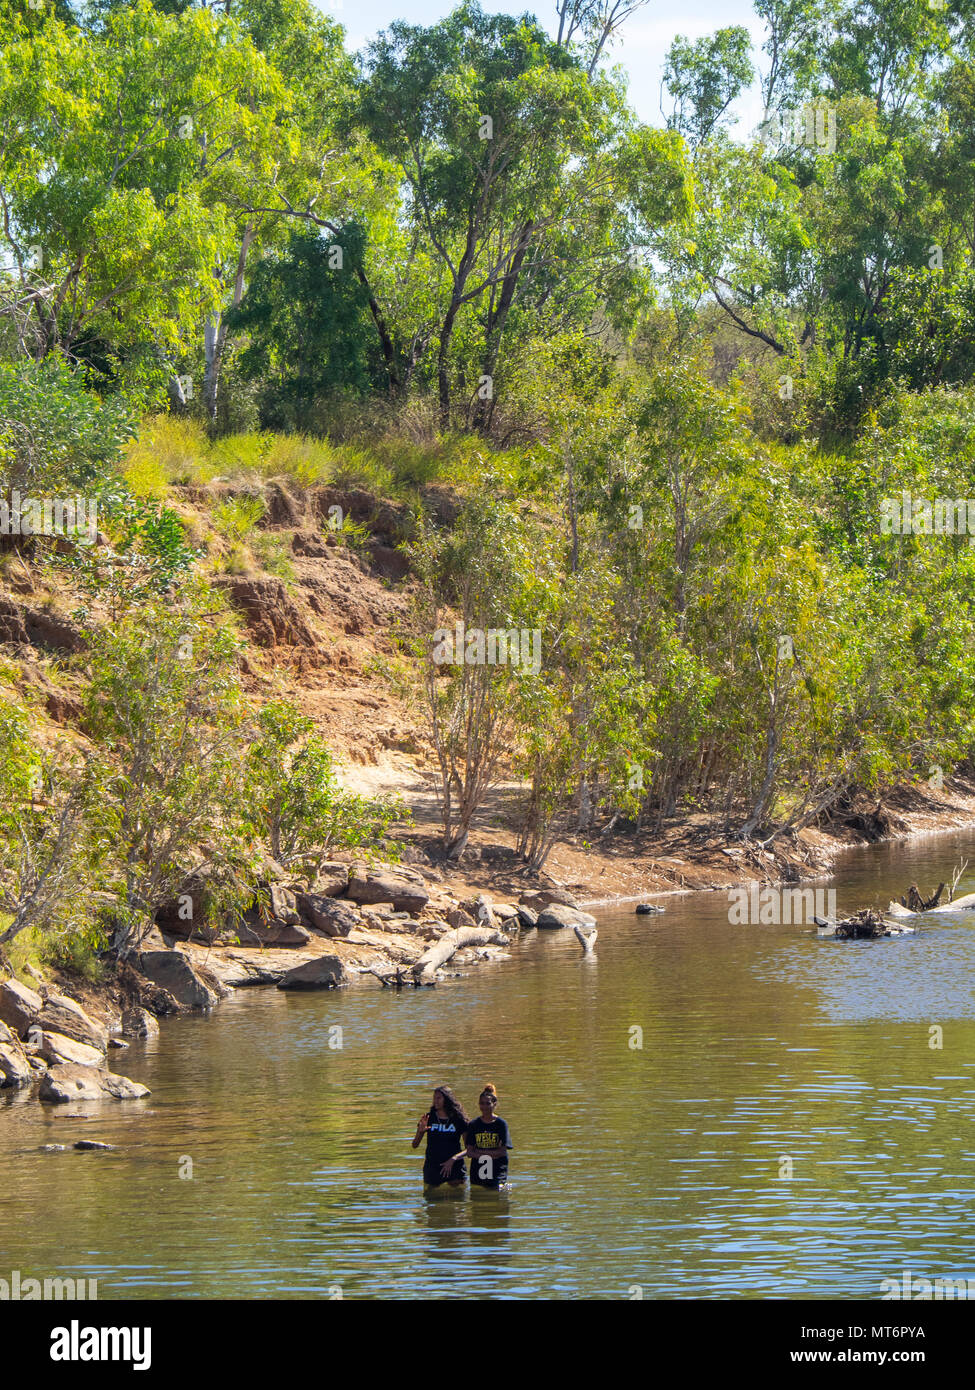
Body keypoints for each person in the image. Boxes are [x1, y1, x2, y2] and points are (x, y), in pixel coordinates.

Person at [412, 1085, 469, 1190]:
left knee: (457, 1201)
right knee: (432, 1200)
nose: (435, 1101)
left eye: (439, 1098)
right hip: (433, 1166)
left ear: (447, 1099)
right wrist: (420, 1132)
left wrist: (453, 1159)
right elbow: (415, 1145)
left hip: (454, 1166)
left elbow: (469, 1149)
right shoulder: (429, 1118)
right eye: (434, 1098)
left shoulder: (458, 1119)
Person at [463, 1083, 511, 1192]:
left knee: (498, 1193)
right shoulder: (474, 1124)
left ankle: (508, 1188)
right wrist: (490, 1154)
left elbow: (502, 1151)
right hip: (478, 1169)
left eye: (487, 1103)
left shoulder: (501, 1124)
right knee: (478, 1196)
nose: (484, 1107)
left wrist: (479, 1152)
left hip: (497, 1169)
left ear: (494, 1104)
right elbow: (469, 1152)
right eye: (482, 1103)